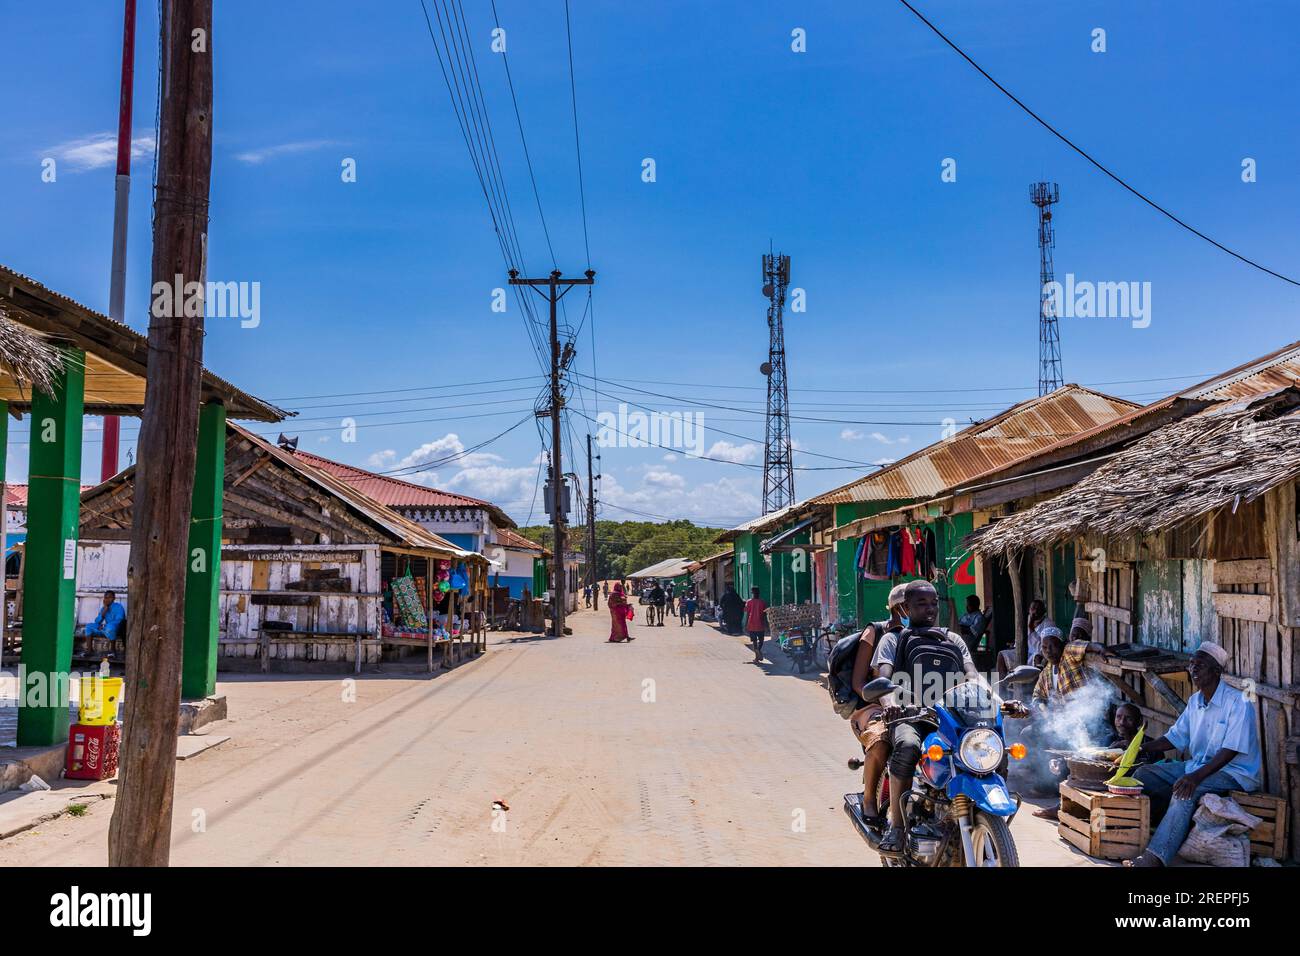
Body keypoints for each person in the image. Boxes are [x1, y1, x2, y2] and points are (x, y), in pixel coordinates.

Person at [874, 580, 1027, 853]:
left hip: (953, 716)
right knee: (908, 747)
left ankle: (983, 816)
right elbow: (883, 680)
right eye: (921, 604)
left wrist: (1002, 702)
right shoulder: (893, 639)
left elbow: (973, 677)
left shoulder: (952, 639)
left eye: (934, 603)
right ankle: (897, 826)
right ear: (905, 608)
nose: (930, 609)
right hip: (912, 716)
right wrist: (889, 705)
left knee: (993, 748)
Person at [1126, 642, 1261, 867]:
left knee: (1185, 791)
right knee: (1144, 774)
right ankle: (1158, 832)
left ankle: (1155, 858)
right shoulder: (1195, 701)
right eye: (1191, 664)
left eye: (1200, 665)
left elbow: (1230, 750)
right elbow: (1175, 737)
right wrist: (1141, 748)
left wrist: (1195, 777)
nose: (1193, 669)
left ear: (1216, 671)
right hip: (1196, 766)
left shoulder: (1238, 702)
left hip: (1233, 773)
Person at [848, 584, 908, 822]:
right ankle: (869, 799)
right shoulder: (877, 633)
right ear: (899, 608)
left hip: (914, 705)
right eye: (913, 605)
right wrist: (886, 701)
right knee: (881, 741)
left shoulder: (925, 634)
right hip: (872, 705)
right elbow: (858, 683)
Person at [1030, 621, 1104, 710]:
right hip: (1066, 720)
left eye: (1052, 646)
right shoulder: (1046, 673)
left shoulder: (1068, 653)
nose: (1048, 651)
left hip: (1087, 712)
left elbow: (1083, 645)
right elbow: (1036, 695)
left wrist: (1100, 648)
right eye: (1044, 647)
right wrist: (1042, 706)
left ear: (1062, 645)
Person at [744, 587, 768, 663]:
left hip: (751, 624)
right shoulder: (762, 602)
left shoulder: (749, 602)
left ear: (752, 593)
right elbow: (764, 614)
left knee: (754, 641)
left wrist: (746, 624)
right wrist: (766, 624)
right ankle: (758, 650)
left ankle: (756, 656)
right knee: (761, 640)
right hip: (760, 624)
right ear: (759, 593)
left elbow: (747, 614)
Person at [1026, 599, 1049, 666]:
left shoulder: (1048, 624)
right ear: (1029, 610)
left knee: (1037, 657)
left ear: (1044, 611)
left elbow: (1043, 646)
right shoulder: (1026, 619)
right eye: (1033, 608)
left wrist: (1031, 628)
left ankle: (1039, 676)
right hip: (1024, 651)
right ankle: (995, 677)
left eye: (1038, 609)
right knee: (1001, 655)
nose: (1035, 611)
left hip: (1038, 653)